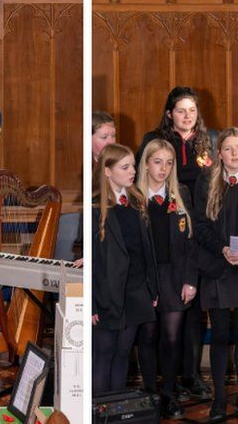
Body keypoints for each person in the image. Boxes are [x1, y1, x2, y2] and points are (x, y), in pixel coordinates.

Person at [137, 86, 217, 400]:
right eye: (181, 110)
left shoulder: (207, 142)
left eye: (192, 110)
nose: (187, 116)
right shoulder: (155, 141)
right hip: (166, 229)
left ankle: (190, 374)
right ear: (170, 113)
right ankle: (158, 383)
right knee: (158, 324)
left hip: (198, 232)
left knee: (192, 312)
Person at [193, 127, 238, 420]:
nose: (234, 155)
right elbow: (200, 224)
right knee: (220, 334)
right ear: (218, 153)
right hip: (217, 267)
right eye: (228, 149)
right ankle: (220, 399)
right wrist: (223, 249)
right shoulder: (207, 181)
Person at [134, 139, 196, 419]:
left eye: (169, 163)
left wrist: (190, 280)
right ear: (146, 163)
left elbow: (191, 243)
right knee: (147, 334)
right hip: (145, 276)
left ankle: (169, 395)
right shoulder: (134, 196)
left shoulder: (180, 193)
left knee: (172, 337)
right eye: (157, 161)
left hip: (174, 275)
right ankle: (149, 393)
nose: (163, 168)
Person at [92, 144, 158, 394]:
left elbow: (146, 250)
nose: (133, 171)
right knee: (104, 355)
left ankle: (115, 410)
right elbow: (93, 261)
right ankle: (99, 414)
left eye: (132, 165)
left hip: (136, 291)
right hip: (108, 294)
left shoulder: (137, 201)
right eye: (125, 167)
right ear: (107, 171)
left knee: (122, 355)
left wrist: (152, 289)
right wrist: (93, 304)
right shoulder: (96, 207)